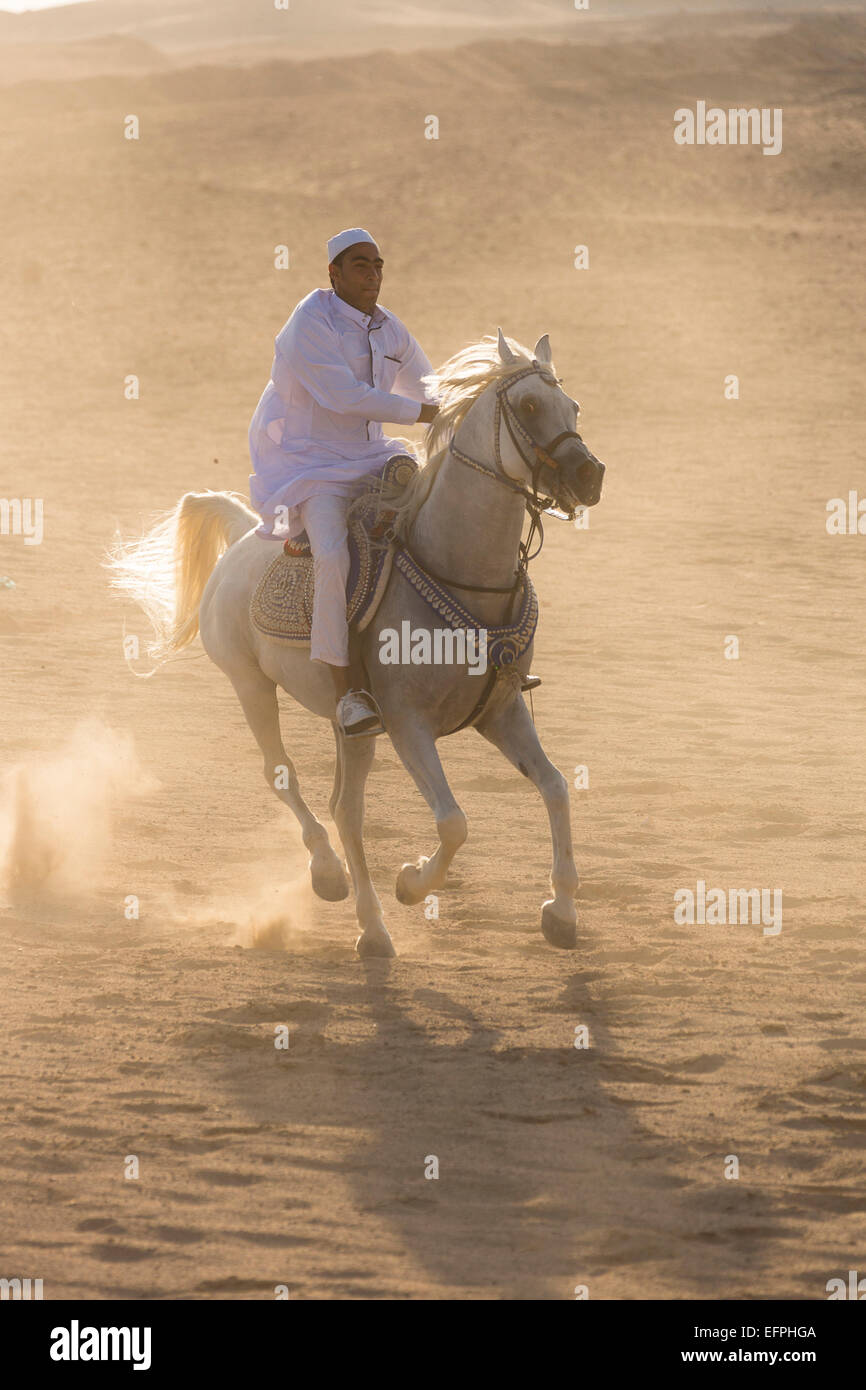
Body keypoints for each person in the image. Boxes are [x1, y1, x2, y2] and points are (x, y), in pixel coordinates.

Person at [248, 229, 439, 737]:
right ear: (332, 273)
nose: (373, 274)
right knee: (333, 552)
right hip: (312, 465)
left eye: (378, 265)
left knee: (445, 518)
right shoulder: (309, 322)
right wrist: (423, 412)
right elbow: (343, 396)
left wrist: (465, 404)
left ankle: (476, 651)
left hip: (373, 456)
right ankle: (348, 691)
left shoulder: (388, 327)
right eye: (360, 265)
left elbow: (428, 385)